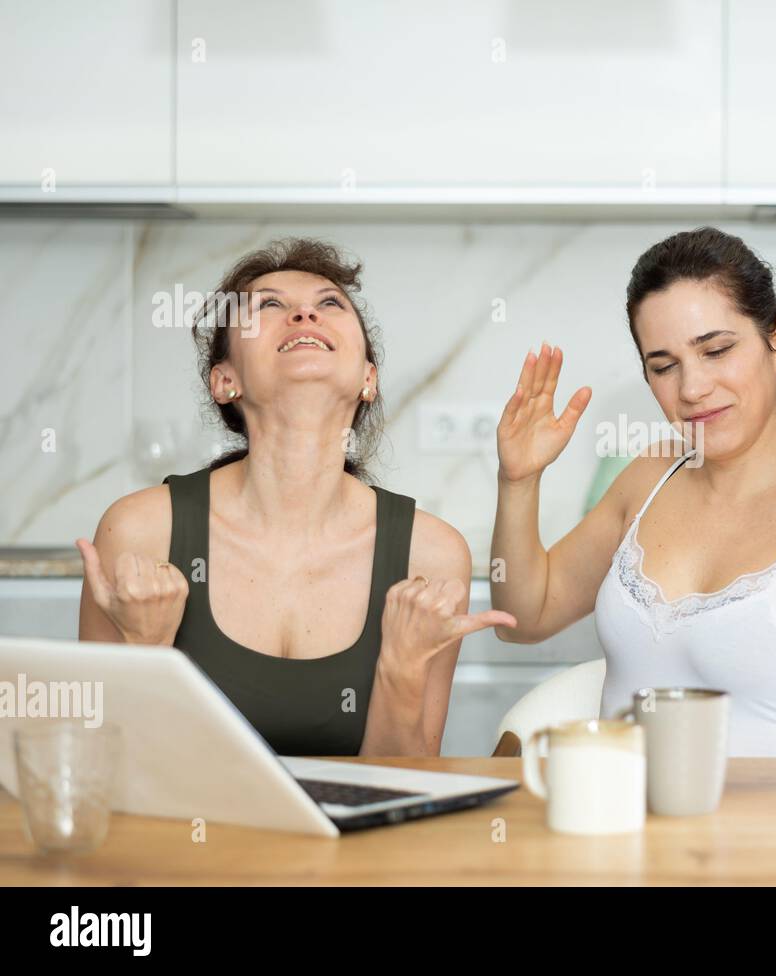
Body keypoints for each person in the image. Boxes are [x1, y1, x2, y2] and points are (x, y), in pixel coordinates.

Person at [490, 227, 776, 757]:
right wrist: (518, 480)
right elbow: (524, 618)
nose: (691, 389)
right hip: (628, 833)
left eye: (716, 350)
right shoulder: (654, 474)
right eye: (663, 366)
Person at [76, 238, 513, 756]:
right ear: (225, 380)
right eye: (269, 305)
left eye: (330, 304)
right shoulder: (141, 534)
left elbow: (404, 788)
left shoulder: (430, 555)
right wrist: (144, 652)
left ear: (368, 378)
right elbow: (93, 770)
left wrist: (402, 667)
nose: (305, 313)